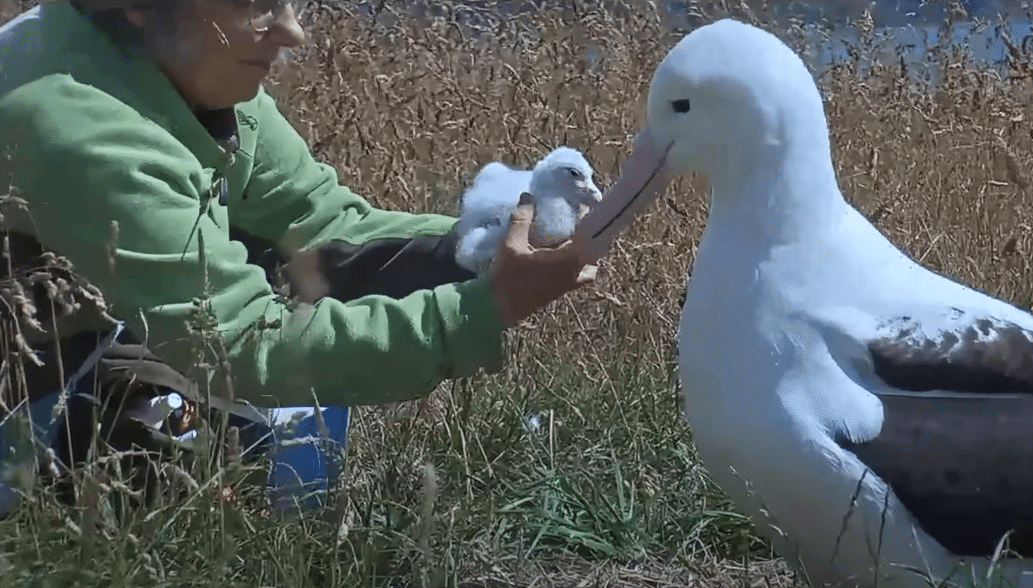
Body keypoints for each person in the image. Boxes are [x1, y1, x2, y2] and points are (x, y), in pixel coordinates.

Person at [0, 0, 596, 511]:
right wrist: (481, 311)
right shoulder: (85, 132)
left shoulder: (170, 62)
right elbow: (240, 346)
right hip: (24, 387)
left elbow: (326, 225)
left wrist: (490, 245)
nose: (292, 31)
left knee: (285, 277)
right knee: (179, 451)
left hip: (84, 323)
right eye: (254, 4)